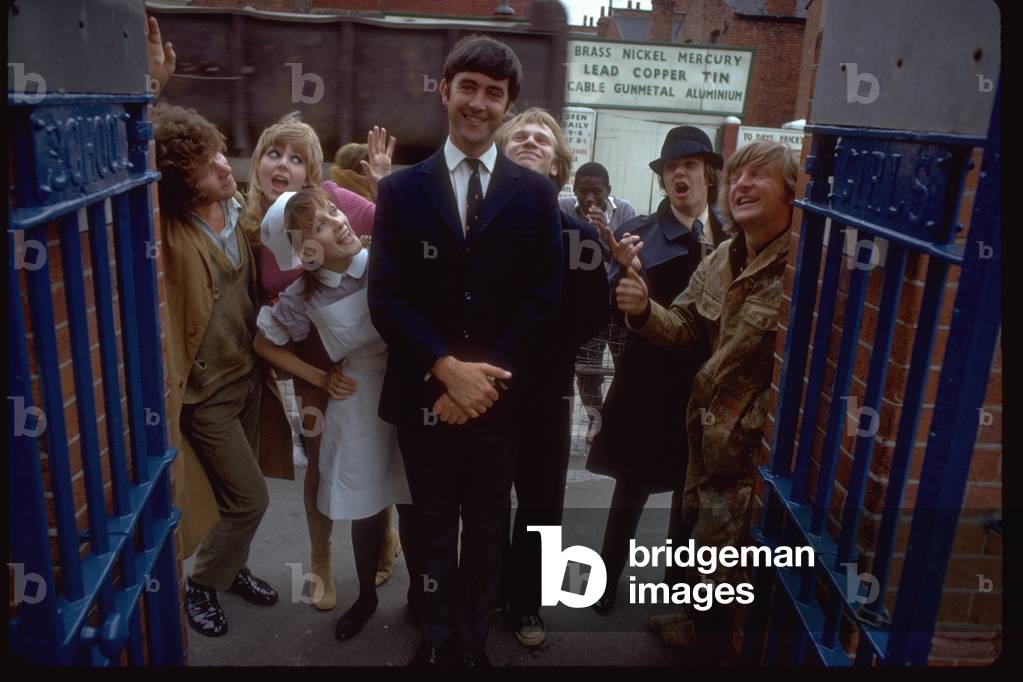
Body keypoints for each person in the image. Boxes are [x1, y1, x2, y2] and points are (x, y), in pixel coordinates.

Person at [367, 35, 562, 667]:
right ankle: (436, 637)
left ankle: (473, 644)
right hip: (427, 392)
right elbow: (388, 296)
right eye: (469, 88)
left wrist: (484, 384)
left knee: (485, 525)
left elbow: (543, 297)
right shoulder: (401, 191)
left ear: (507, 106)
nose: (479, 103)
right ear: (444, 89)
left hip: (499, 401)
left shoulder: (534, 197)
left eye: (494, 93)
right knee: (430, 521)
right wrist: (447, 370)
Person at [615, 140, 797, 661]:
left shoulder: (802, 264)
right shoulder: (721, 258)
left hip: (760, 449)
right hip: (711, 438)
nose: (741, 185)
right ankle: (700, 624)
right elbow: (685, 327)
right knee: (708, 540)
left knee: (740, 557)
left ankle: (717, 643)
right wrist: (644, 309)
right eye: (737, 177)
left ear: (791, 192)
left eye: (757, 176)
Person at [237, 115, 403, 610]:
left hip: (363, 348)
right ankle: (321, 563)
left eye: (297, 157)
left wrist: (382, 182)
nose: (283, 164)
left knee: (383, 444)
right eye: (274, 152)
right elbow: (264, 324)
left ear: (312, 169)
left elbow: (389, 227)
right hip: (311, 362)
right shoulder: (249, 223)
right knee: (321, 465)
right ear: (259, 161)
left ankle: (385, 532)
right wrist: (312, 376)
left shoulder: (332, 199)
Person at [153, 103, 293, 637]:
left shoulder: (235, 206)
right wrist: (152, 87)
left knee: (240, 496)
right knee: (249, 498)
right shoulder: (166, 226)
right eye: (203, 161)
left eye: (216, 150)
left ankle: (232, 568)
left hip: (250, 377)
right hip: (205, 392)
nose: (220, 163)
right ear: (177, 179)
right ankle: (203, 585)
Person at [254, 188, 415, 641]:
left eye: (331, 210)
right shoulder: (300, 297)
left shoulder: (386, 258)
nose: (338, 220)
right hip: (357, 404)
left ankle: (424, 596)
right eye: (319, 226)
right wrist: (319, 378)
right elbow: (265, 343)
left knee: (416, 501)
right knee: (366, 505)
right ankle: (365, 598)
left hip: (409, 390)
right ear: (302, 254)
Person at [586, 126, 729, 615]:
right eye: (671, 169)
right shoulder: (641, 236)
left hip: (709, 387)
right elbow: (609, 303)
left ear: (708, 174)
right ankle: (606, 582)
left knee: (690, 493)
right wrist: (620, 275)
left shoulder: (734, 235)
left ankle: (676, 590)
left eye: (689, 165)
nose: (679, 175)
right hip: (650, 384)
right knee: (633, 486)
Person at [495, 108, 610, 648]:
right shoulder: (472, 223)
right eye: (520, 134)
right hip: (482, 388)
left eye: (542, 138)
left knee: (541, 507)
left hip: (546, 389)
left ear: (558, 163)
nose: (531, 141)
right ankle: (487, 592)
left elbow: (591, 312)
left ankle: (527, 605)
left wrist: (544, 353)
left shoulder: (580, 236)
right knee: (486, 501)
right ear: (498, 150)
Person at [560, 162, 636, 441]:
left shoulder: (624, 211)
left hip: (616, 301)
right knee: (588, 369)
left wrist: (604, 234)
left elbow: (628, 259)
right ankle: (597, 420)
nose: (589, 198)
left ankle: (619, 420)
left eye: (596, 192)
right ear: (574, 189)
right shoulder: (564, 208)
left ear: (609, 191)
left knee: (625, 364)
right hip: (587, 303)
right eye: (583, 191)